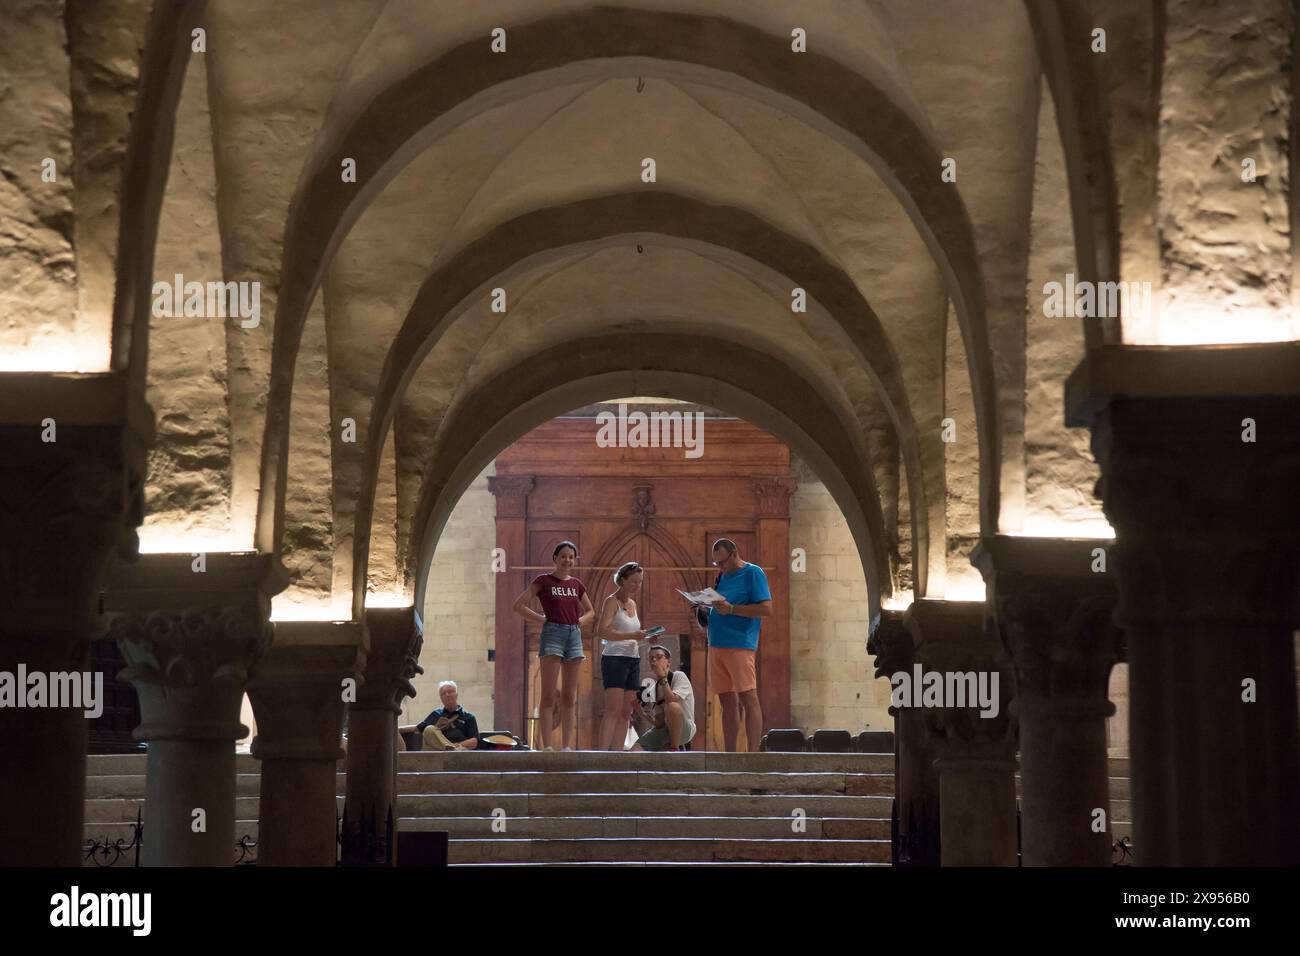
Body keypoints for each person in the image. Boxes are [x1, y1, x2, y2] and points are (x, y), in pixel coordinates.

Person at [512, 540, 595, 750]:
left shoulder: (576, 585)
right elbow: (518, 605)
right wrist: (541, 619)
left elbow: (591, 612)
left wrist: (579, 622)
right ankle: (547, 746)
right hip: (553, 633)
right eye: (563, 556)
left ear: (574, 560)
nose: (567, 560)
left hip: (573, 635)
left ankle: (567, 746)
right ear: (555, 559)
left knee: (569, 695)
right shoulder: (544, 580)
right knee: (548, 695)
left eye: (571, 556)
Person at [691, 538, 771, 752]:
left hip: (740, 644)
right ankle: (729, 754)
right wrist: (703, 607)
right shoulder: (722, 576)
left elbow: (766, 609)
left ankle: (753, 754)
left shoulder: (753, 573)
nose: (721, 567)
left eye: (723, 562)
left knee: (748, 697)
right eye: (717, 563)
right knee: (726, 701)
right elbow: (720, 606)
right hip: (716, 644)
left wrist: (733, 609)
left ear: (735, 553)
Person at [594, 561, 652, 751]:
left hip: (633, 659)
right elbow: (602, 632)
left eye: (640, 582)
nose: (638, 586)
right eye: (634, 582)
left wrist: (647, 639)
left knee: (626, 711)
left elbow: (632, 639)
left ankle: (618, 754)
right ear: (623, 580)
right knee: (613, 709)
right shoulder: (612, 602)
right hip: (614, 659)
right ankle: (602, 756)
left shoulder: (633, 603)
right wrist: (632, 635)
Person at [634, 645, 695, 751]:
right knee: (635, 750)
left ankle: (674, 748)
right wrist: (641, 713)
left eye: (658, 657)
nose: (654, 660)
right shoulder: (654, 689)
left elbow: (673, 700)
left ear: (668, 662)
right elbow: (659, 723)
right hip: (665, 729)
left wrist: (663, 677)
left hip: (684, 729)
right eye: (651, 658)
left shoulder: (679, 676)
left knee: (672, 706)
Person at [407, 680, 479, 750]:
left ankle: (451, 749)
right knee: (429, 729)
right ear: (441, 698)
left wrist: (456, 746)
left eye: (450, 692)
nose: (447, 695)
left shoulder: (468, 717)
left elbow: (474, 742)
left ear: (456, 695)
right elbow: (417, 728)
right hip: (437, 752)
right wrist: (397, 729)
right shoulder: (436, 714)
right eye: (443, 693)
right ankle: (451, 749)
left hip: (459, 752)